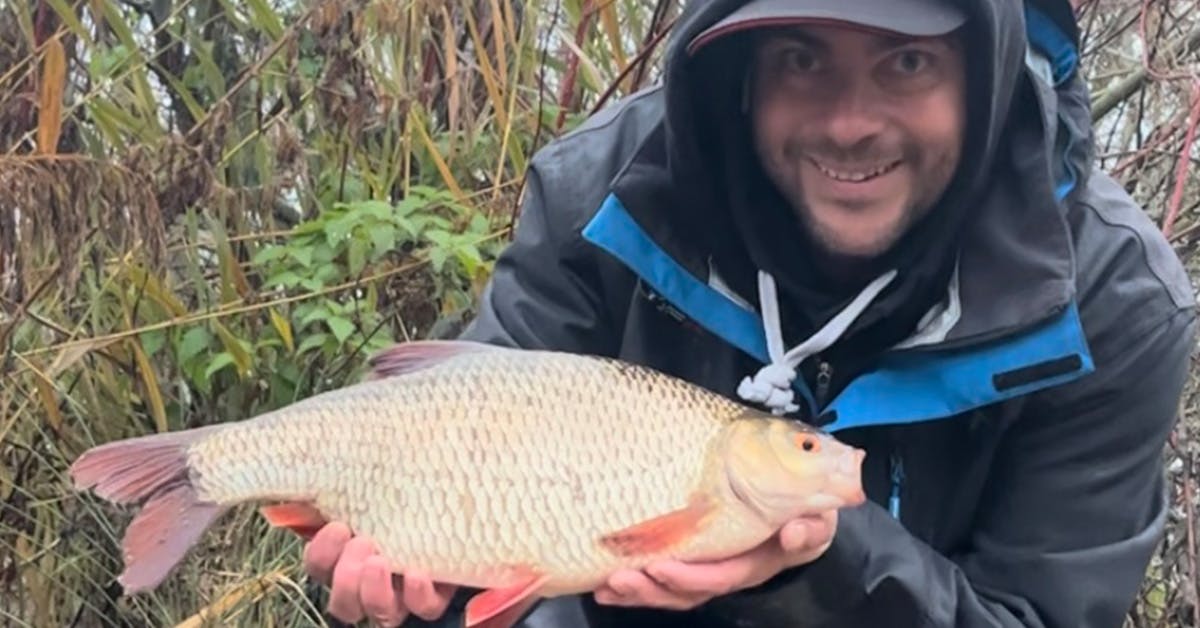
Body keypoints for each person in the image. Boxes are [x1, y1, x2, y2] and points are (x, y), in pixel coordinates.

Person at [299, 0, 1197, 626]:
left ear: (985, 72)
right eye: (802, 59)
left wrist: (819, 566)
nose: (850, 123)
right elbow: (465, 473)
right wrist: (420, 606)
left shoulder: (1111, 300)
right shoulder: (601, 200)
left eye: (907, 61)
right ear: (738, 73)